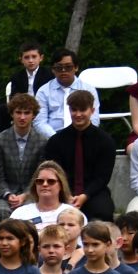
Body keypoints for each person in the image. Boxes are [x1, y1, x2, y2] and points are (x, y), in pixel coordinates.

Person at [42, 90, 116, 223]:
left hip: (93, 191)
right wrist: (66, 194)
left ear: (92, 110)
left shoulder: (106, 141)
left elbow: (102, 177)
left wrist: (85, 195)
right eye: (74, 110)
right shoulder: (55, 141)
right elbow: (54, 172)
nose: (78, 114)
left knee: (103, 213)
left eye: (83, 110)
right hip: (62, 191)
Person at [0, 93, 48, 223]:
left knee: (31, 210)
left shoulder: (42, 142)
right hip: (5, 194)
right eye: (18, 112)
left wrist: (25, 195)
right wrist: (8, 194)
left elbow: (39, 174)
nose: (22, 117)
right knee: (3, 211)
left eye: (27, 113)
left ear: (33, 115)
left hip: (31, 193)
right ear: (12, 114)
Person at [34, 48, 99, 137]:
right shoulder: (43, 91)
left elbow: (94, 120)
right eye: (59, 68)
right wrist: (57, 139)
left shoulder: (88, 89)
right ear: (53, 69)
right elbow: (39, 123)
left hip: (83, 136)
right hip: (52, 138)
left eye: (68, 67)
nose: (63, 71)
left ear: (76, 67)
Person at [10, 161, 71, 231]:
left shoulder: (73, 214)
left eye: (51, 181)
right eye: (40, 181)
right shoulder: (20, 214)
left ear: (61, 185)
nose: (45, 184)